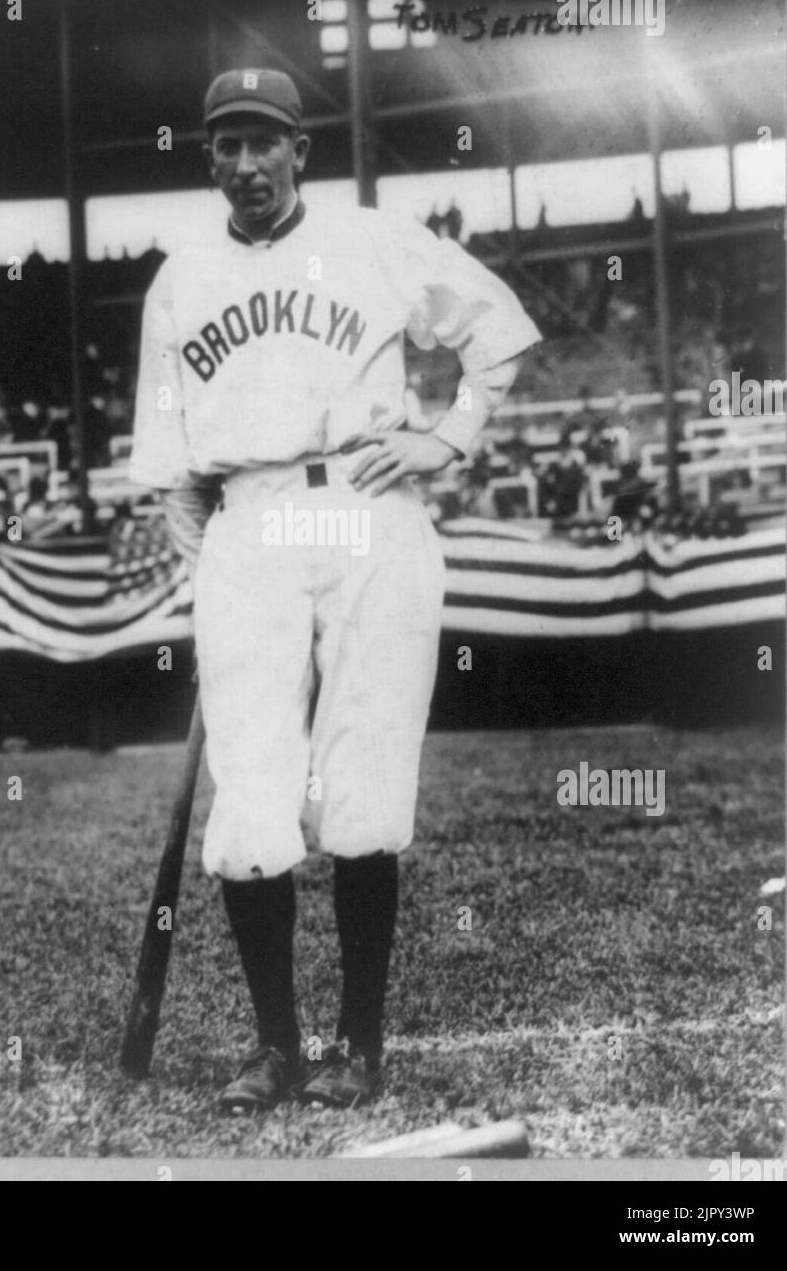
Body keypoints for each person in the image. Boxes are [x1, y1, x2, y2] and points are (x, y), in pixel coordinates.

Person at [130, 69, 540, 1113]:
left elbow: (497, 331)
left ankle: (357, 1046)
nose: (245, 163)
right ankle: (277, 1049)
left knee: (363, 781)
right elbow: (168, 462)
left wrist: (441, 435)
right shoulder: (179, 278)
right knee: (254, 796)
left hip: (365, 500)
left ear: (299, 150)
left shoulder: (372, 239)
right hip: (250, 516)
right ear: (210, 159)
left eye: (264, 141)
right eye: (225, 144)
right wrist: (218, 562)